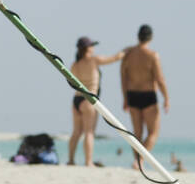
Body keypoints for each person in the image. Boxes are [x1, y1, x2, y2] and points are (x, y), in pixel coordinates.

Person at [67, 37, 124, 167]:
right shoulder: (94, 60)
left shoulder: (75, 64)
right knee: (89, 132)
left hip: (76, 99)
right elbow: (114, 58)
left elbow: (71, 81)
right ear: (88, 48)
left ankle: (71, 159)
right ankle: (88, 161)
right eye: (92, 46)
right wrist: (125, 52)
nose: (93, 48)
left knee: (76, 132)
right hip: (89, 98)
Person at [120, 24, 169, 159]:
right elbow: (160, 79)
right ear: (151, 38)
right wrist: (166, 98)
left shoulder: (128, 55)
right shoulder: (153, 55)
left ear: (138, 36)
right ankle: (140, 161)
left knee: (137, 134)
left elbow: (123, 78)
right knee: (153, 133)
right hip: (148, 96)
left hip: (132, 94)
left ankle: (137, 161)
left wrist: (125, 98)